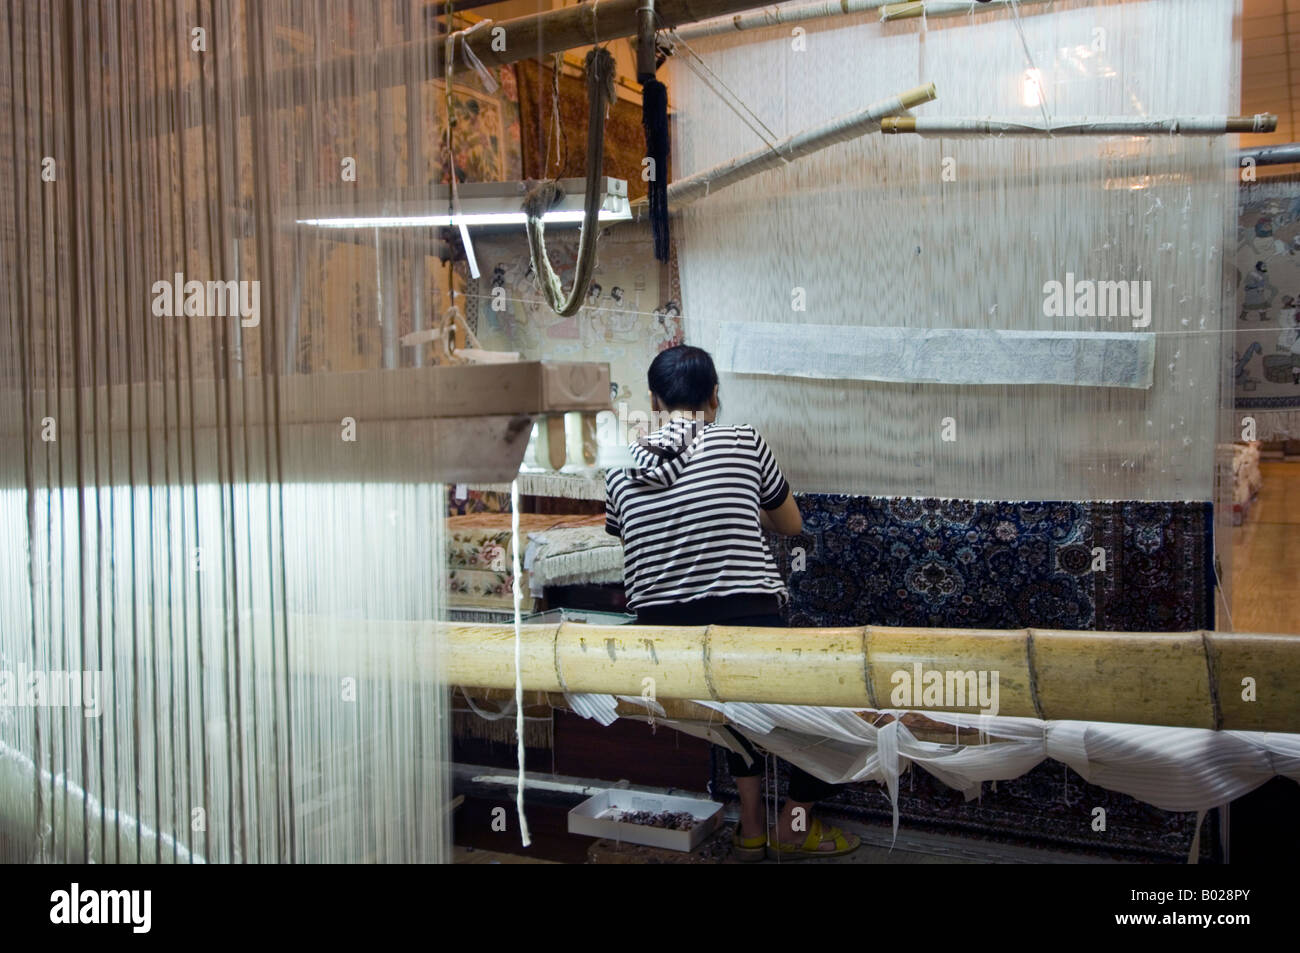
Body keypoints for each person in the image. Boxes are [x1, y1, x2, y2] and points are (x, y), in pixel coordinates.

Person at [604, 344, 861, 861]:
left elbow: (627, 532)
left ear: (654, 401)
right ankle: (792, 823)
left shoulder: (618, 463)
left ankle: (750, 828)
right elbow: (791, 525)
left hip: (662, 641)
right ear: (715, 396)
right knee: (842, 721)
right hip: (747, 623)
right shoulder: (743, 442)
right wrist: (740, 507)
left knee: (728, 713)